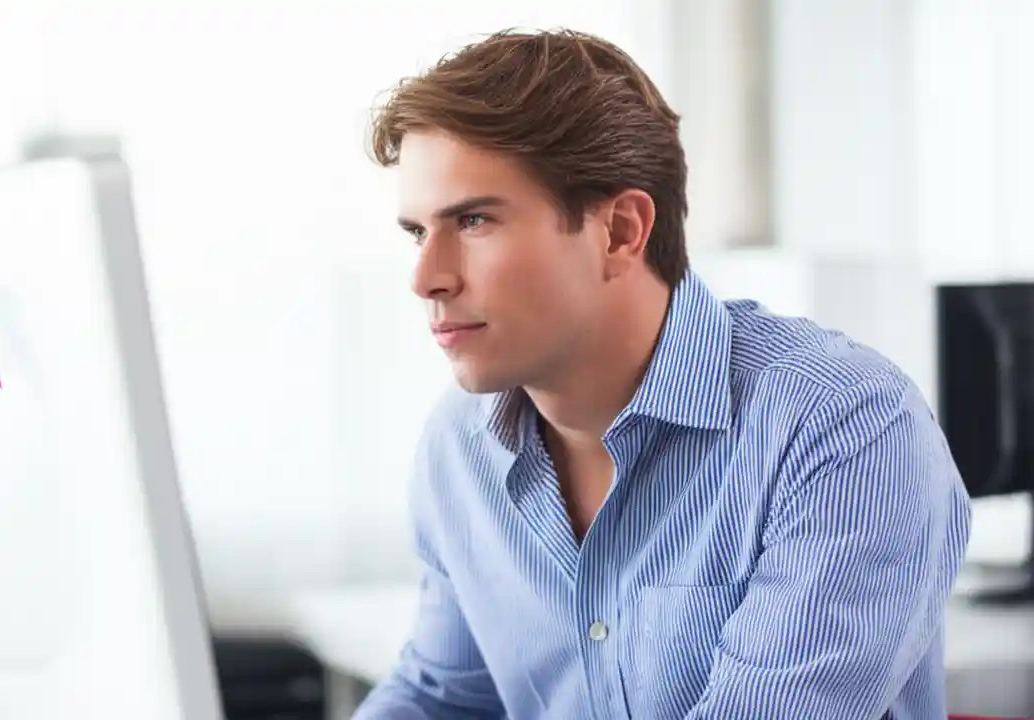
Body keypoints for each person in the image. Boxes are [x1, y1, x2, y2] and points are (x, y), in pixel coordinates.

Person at [354, 27, 972, 719]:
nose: (425, 278)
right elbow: (441, 699)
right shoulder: (460, 444)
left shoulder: (845, 428)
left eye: (472, 220)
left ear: (620, 232)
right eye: (417, 232)